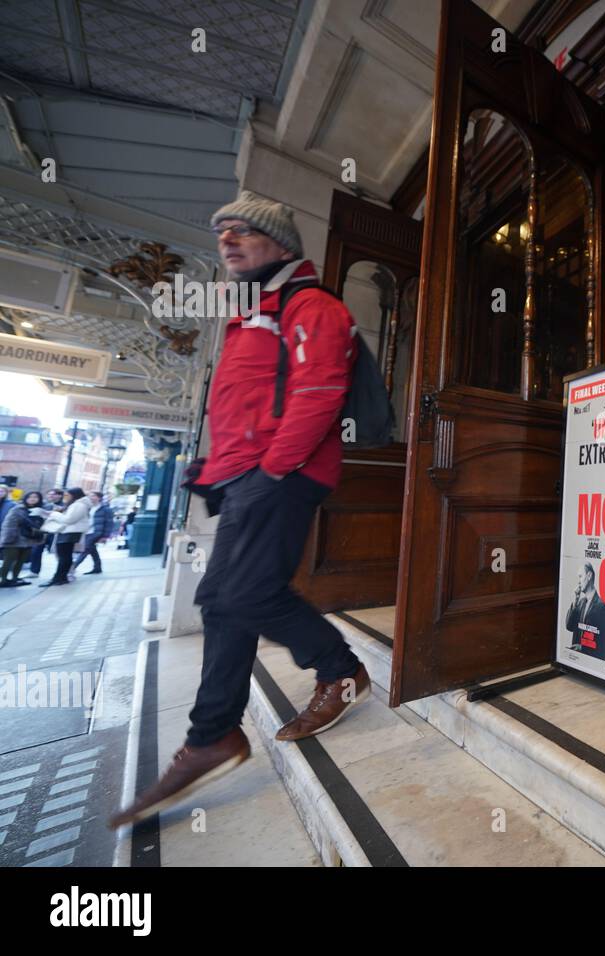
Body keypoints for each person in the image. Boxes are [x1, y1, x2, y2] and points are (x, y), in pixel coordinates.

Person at [109, 191, 369, 829]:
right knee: (226, 599)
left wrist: (273, 466)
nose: (227, 239)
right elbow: (243, 407)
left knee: (238, 597)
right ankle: (213, 736)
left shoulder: (310, 305)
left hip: (283, 475)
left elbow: (318, 392)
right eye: (221, 230)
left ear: (282, 244)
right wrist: (219, 471)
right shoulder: (256, 314)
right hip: (250, 478)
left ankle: (331, 673)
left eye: (244, 230)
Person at [38, 487, 91, 587]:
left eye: (67, 495)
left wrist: (55, 514)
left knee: (64, 556)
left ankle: (58, 578)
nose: (65, 497)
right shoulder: (79, 504)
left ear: (74, 495)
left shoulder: (79, 504)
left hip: (69, 532)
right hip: (69, 532)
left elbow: (69, 520)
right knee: (65, 556)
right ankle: (61, 577)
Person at [564, 562, 605, 660]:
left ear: (589, 575)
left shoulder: (601, 607)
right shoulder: (581, 603)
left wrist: (583, 648)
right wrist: (575, 600)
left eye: (580, 576)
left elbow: (603, 647)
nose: (578, 581)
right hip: (578, 661)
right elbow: (569, 626)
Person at [0, 491, 45, 586]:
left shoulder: (40, 511)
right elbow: (9, 524)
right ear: (26, 498)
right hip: (14, 539)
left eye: (36, 497)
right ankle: (3, 580)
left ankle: (14, 578)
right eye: (30, 497)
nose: (33, 499)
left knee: (21, 561)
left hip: (29, 541)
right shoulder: (18, 509)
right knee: (8, 561)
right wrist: (7, 539)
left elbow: (42, 526)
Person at [72, 491, 112, 575]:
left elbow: (109, 523)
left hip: (96, 532)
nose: (90, 497)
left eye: (93, 496)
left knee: (85, 549)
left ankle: (72, 568)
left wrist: (105, 536)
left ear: (99, 498)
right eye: (89, 496)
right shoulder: (87, 507)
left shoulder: (105, 509)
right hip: (86, 531)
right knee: (92, 550)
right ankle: (97, 568)